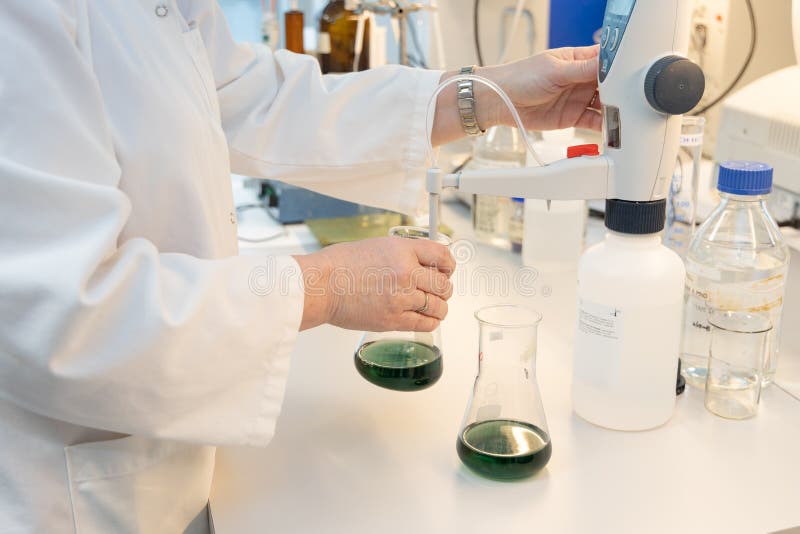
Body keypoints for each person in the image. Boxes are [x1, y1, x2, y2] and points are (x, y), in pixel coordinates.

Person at [0, 2, 601, 532]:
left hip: (165, 465)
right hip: (67, 499)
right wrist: (329, 285)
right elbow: (62, 314)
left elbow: (256, 96)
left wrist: (485, 95)